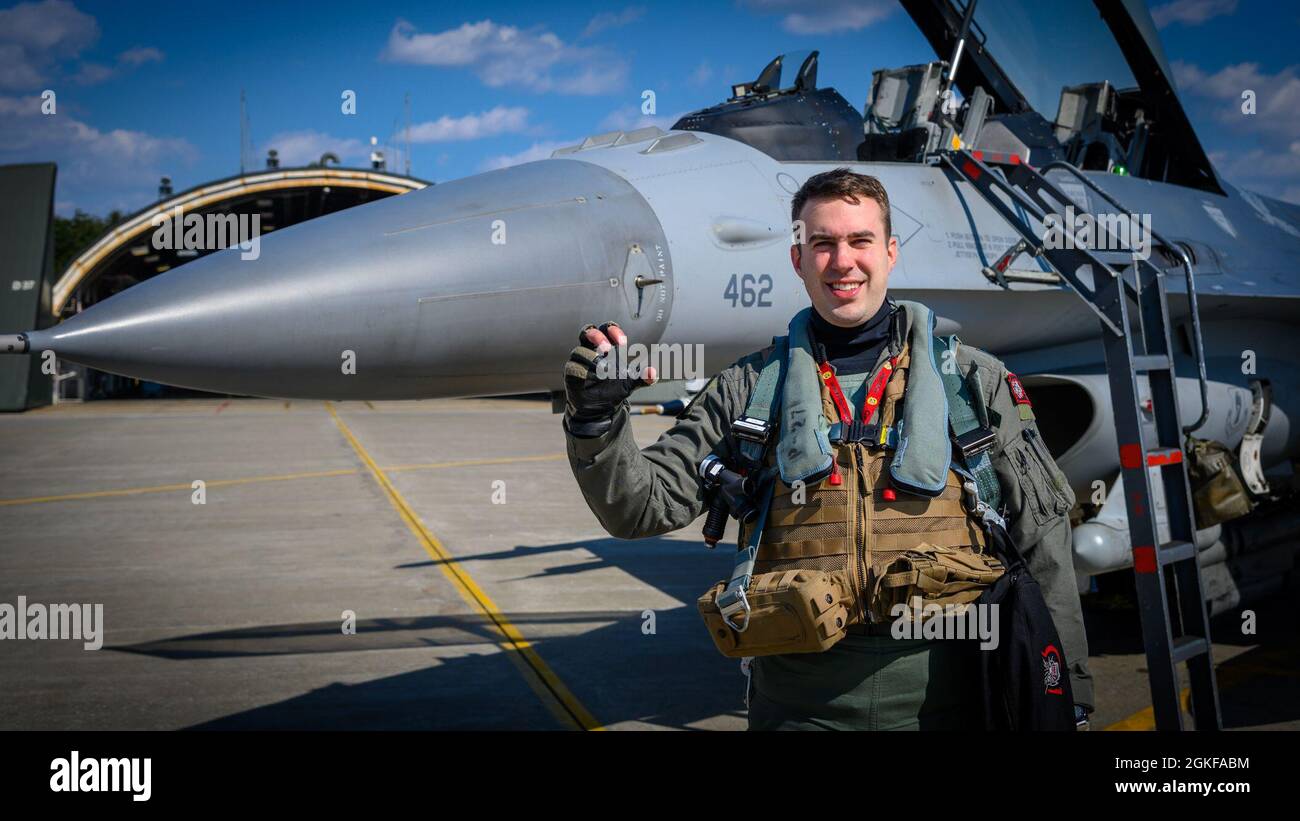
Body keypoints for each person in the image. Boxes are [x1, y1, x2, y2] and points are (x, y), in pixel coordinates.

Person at [562, 167, 1093, 730]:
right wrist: (596, 418)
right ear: (798, 259)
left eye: (860, 240)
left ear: (890, 252)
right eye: (822, 244)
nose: (843, 262)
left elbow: (1044, 541)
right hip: (799, 711)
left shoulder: (973, 384)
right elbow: (639, 507)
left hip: (959, 704)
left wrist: (1070, 695)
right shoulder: (749, 388)